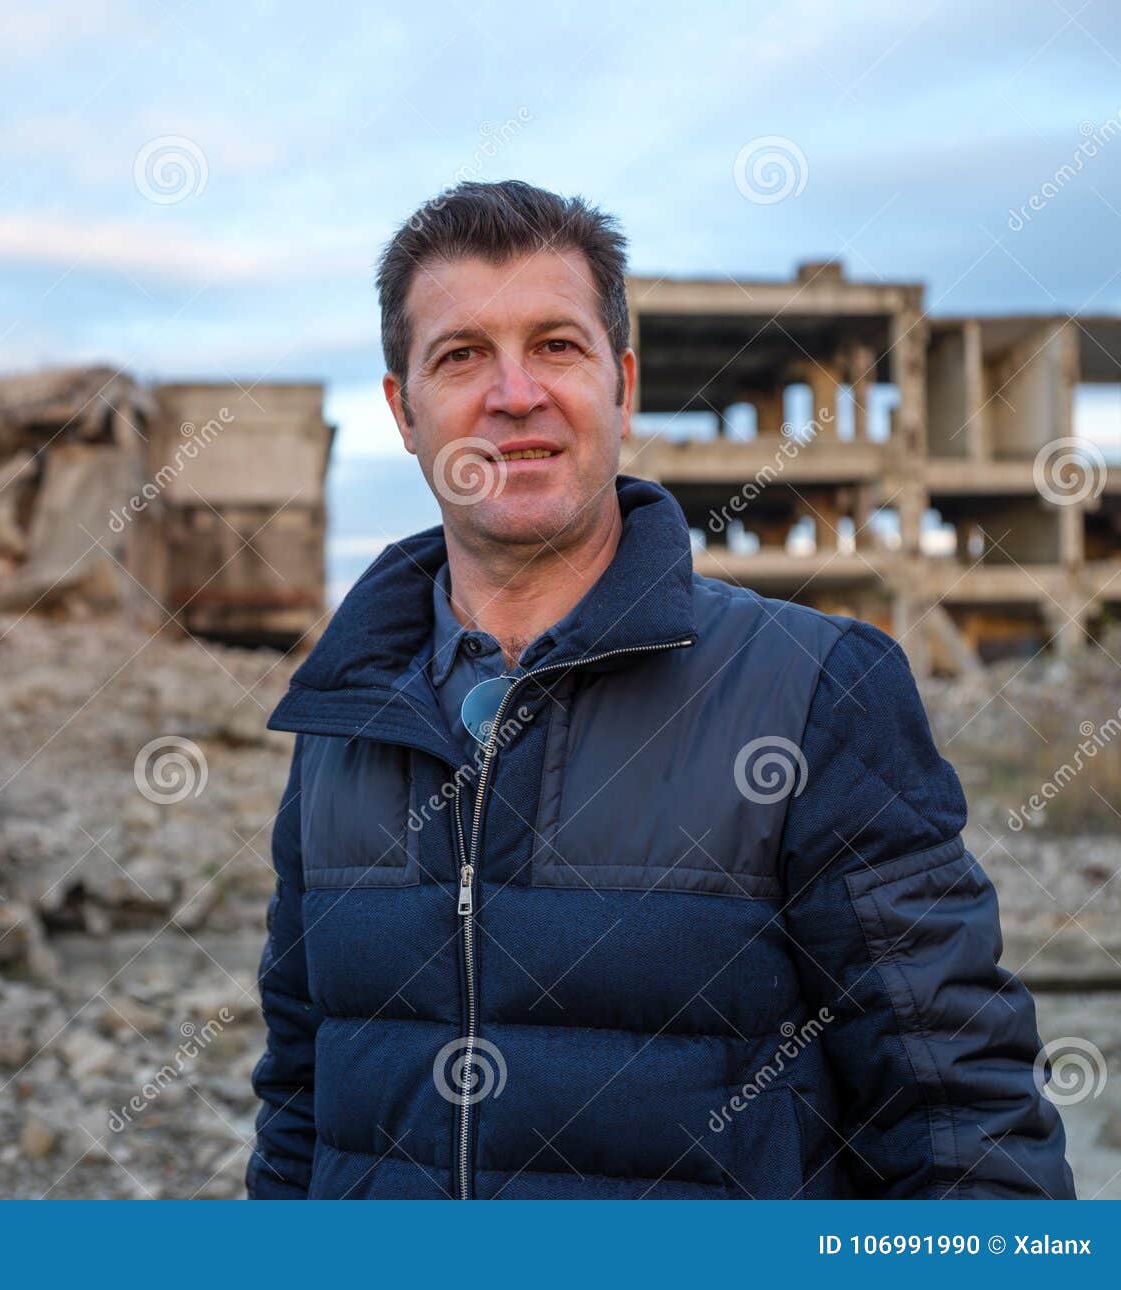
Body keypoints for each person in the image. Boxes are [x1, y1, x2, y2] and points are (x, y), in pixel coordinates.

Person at [245, 179, 1074, 1200]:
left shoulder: (810, 690)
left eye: (556, 346)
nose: (514, 395)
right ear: (401, 410)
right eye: (461, 356)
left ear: (622, 385)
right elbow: (298, 1100)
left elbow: (960, 1114)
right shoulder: (345, 717)